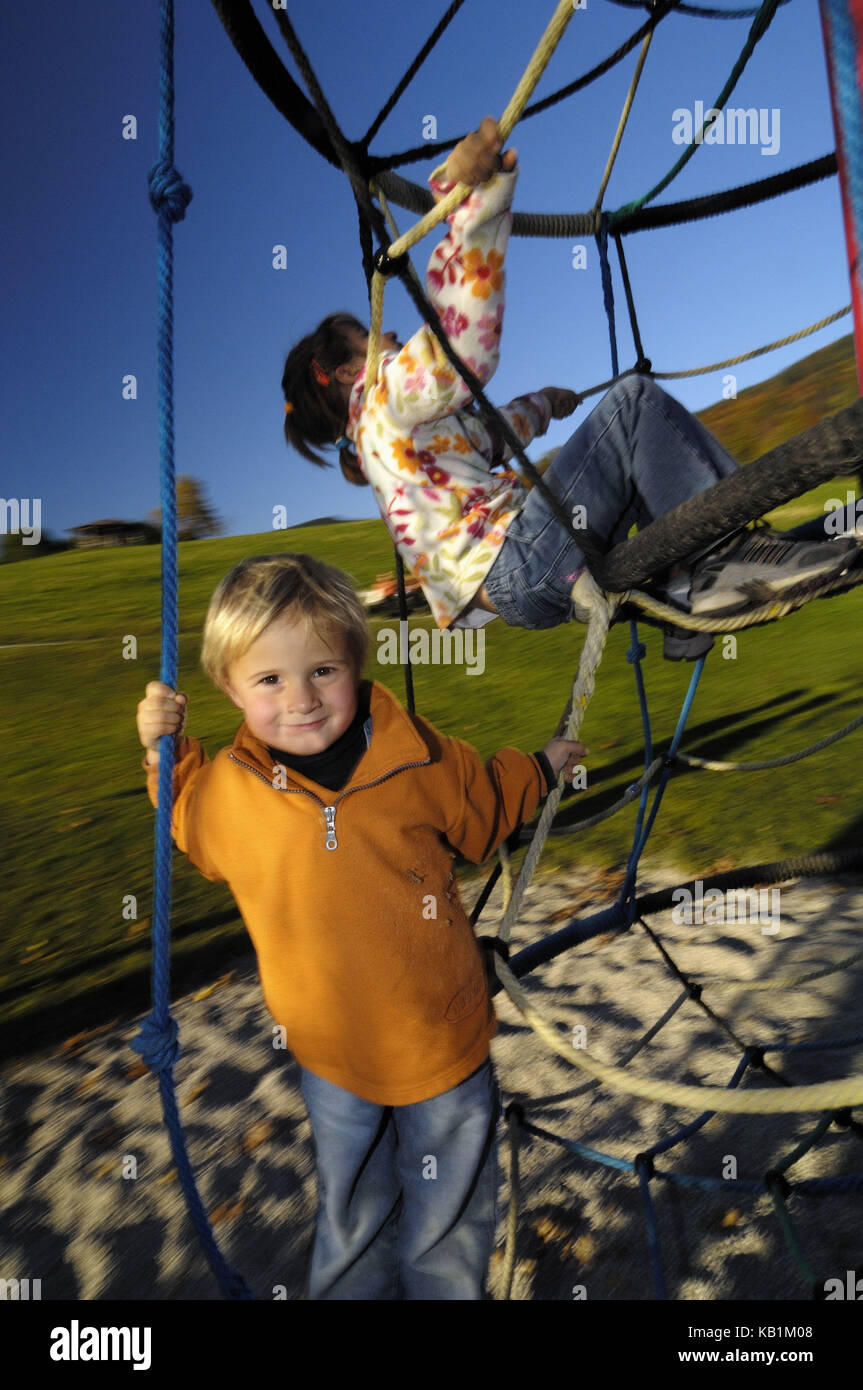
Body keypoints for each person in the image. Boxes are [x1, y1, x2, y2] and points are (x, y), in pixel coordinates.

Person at [135, 551, 585, 1300]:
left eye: (323, 671)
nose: (302, 699)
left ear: (357, 663)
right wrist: (165, 751)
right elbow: (183, 819)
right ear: (229, 688)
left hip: (441, 1039)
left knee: (447, 1220)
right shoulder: (228, 796)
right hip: (331, 1055)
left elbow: (483, 808)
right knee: (353, 1212)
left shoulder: (419, 755)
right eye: (270, 680)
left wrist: (538, 767)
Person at [280, 118, 860, 661]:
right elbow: (462, 349)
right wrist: (469, 205)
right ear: (342, 373)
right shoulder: (381, 398)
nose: (384, 334)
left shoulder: (396, 442)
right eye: (367, 335)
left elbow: (488, 435)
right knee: (632, 405)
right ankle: (723, 559)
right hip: (521, 557)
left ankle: (689, 596)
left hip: (522, 578)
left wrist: (543, 405)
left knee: (637, 467)